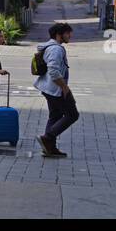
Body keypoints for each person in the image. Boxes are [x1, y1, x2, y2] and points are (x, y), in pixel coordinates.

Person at [35, 22, 78, 158]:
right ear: (59, 35)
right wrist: (64, 87)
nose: (70, 35)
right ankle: (48, 137)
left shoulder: (51, 47)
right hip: (56, 89)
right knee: (72, 114)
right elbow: (53, 70)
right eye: (67, 33)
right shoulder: (56, 49)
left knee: (55, 116)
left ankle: (49, 147)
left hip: (49, 88)